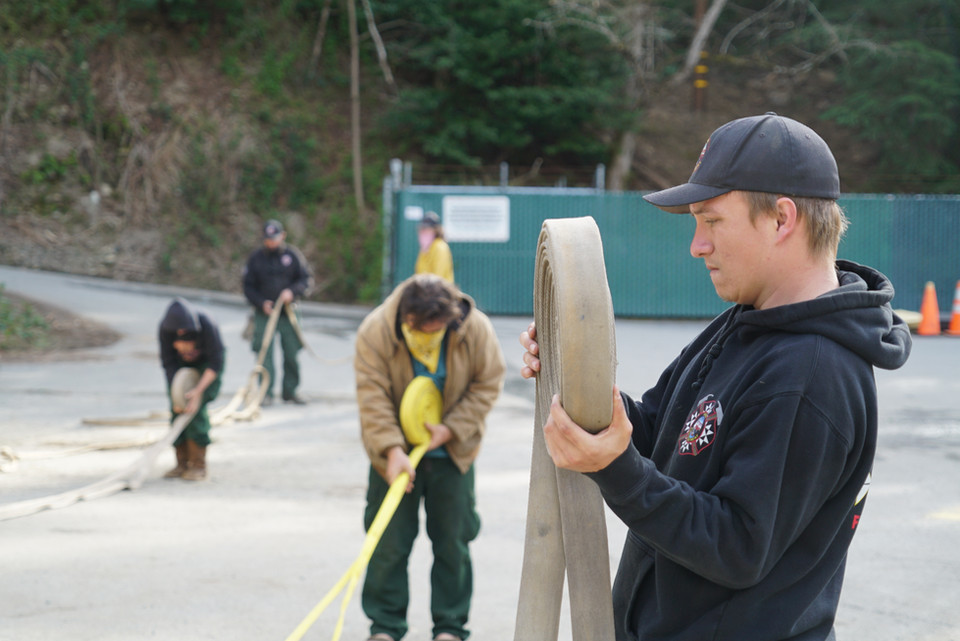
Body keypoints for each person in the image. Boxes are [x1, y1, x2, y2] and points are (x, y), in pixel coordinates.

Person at [519, 113, 912, 641]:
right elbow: (657, 428)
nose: (697, 245)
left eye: (711, 221)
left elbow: (736, 548)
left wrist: (617, 471)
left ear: (781, 219)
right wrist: (573, 377)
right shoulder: (746, 321)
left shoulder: (812, 374)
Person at [355, 274, 505, 641]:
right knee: (388, 541)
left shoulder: (474, 329)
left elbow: (488, 383)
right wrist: (391, 449)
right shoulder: (376, 331)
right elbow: (372, 398)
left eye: (440, 329)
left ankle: (450, 628)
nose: (432, 335)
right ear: (408, 319)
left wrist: (451, 428)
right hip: (394, 457)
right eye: (426, 330)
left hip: (452, 453)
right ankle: (385, 627)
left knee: (453, 542)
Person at [242, 219, 313, 405]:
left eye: (274, 238)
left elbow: (305, 280)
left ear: (282, 236)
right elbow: (247, 287)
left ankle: (291, 391)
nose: (271, 242)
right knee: (264, 354)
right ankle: (265, 393)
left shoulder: (293, 256)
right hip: (264, 313)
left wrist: (292, 292)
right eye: (268, 239)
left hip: (288, 312)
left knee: (291, 353)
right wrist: (260, 303)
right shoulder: (256, 258)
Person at [158, 297, 225, 481]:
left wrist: (198, 392)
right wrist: (176, 396)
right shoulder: (165, 329)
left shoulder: (207, 324)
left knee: (196, 410)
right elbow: (168, 364)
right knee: (178, 409)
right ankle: (181, 463)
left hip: (206, 366)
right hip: (180, 369)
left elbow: (216, 363)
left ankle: (198, 465)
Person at [414, 211, 454, 283]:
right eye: (422, 229)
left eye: (427, 229)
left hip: (440, 289)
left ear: (436, 231)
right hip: (425, 289)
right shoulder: (424, 249)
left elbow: (438, 278)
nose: (423, 232)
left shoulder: (440, 247)